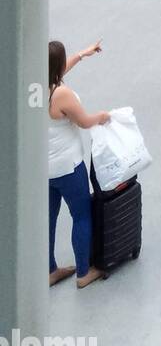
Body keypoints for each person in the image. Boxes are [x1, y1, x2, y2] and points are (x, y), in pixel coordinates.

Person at [48, 39, 110, 288]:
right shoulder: (61, 94)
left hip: (44, 169)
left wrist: (82, 54)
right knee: (81, 215)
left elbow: (58, 70)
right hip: (68, 167)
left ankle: (50, 270)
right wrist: (104, 117)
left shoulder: (34, 84)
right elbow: (84, 122)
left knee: (49, 218)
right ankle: (83, 273)